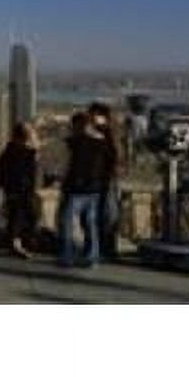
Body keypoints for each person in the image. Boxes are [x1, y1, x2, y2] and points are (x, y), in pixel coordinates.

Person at [59, 109, 107, 268]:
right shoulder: (101, 141)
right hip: (95, 188)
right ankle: (92, 257)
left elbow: (69, 163)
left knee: (67, 222)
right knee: (90, 223)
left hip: (77, 189)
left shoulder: (77, 142)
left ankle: (68, 255)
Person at [0, 122, 39, 258]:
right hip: (16, 190)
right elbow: (0, 172)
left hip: (23, 190)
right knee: (17, 217)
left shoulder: (24, 152)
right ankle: (16, 244)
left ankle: (21, 242)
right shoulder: (14, 152)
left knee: (28, 216)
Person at [89, 101, 121, 258]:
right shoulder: (98, 135)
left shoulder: (109, 135)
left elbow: (114, 158)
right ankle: (101, 247)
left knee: (107, 214)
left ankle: (107, 248)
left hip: (106, 181)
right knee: (99, 215)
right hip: (99, 180)